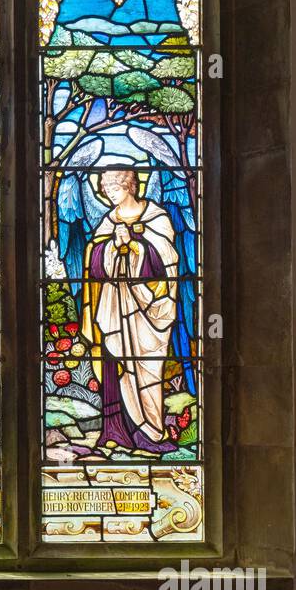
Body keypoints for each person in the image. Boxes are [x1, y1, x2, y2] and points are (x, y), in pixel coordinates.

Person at [81, 167, 179, 454]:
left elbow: (167, 258)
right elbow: (94, 259)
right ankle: (118, 431)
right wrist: (113, 246)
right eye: (105, 189)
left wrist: (135, 247)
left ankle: (152, 431)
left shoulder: (157, 217)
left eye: (113, 188)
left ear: (130, 186)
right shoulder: (107, 222)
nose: (108, 194)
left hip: (148, 312)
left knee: (147, 370)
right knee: (116, 365)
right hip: (113, 306)